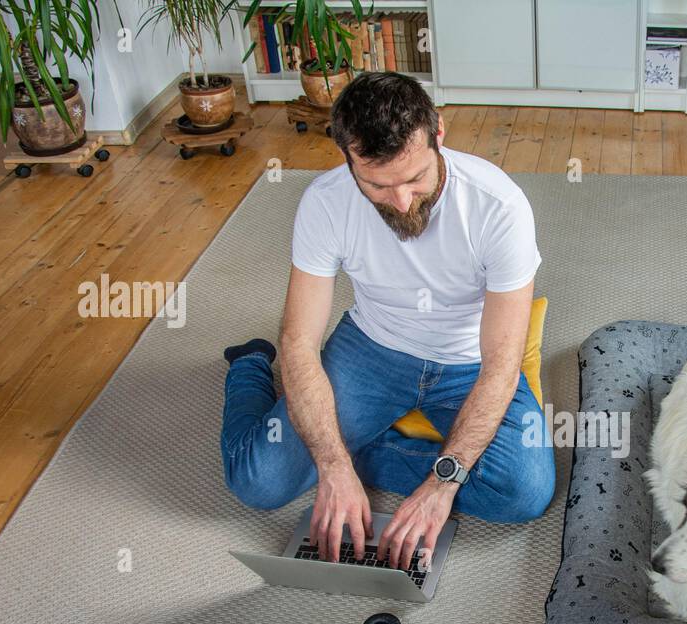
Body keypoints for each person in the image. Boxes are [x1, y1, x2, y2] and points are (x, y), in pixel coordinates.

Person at [220, 72, 553, 573]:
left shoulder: (498, 207)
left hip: (469, 363)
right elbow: (298, 342)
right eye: (377, 184)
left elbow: (503, 362)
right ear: (347, 158)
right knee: (258, 483)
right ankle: (248, 366)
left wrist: (441, 485)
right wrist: (332, 467)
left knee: (525, 493)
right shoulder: (324, 203)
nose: (401, 202)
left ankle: (354, 441)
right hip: (371, 352)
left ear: (438, 134)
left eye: (415, 178)